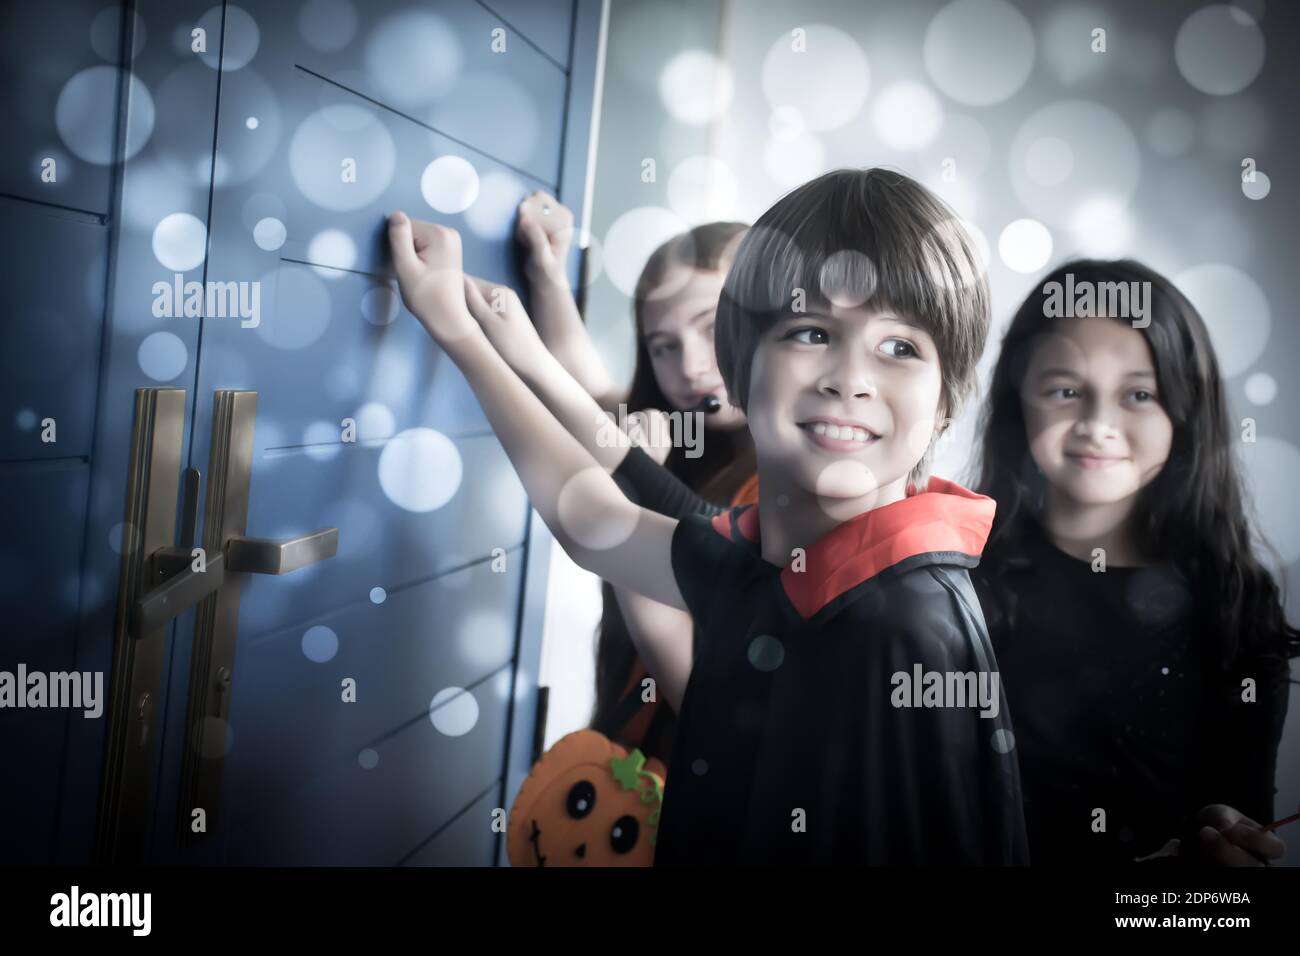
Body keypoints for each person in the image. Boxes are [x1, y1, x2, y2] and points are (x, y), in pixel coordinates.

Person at [386, 166, 1028, 864]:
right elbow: (590, 519)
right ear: (741, 366)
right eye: (811, 332)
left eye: (900, 347)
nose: (851, 377)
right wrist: (459, 331)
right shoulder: (775, 562)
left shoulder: (902, 628)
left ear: (944, 402)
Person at [971, 258, 1298, 865]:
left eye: (1138, 394)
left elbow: (1244, 816)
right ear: (1020, 403)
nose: (1098, 424)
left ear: (1185, 411)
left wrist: (1221, 848)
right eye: (1065, 390)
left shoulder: (1235, 600)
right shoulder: (959, 582)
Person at [514, 196, 753, 763]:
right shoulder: (667, 429)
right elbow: (586, 385)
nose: (691, 366)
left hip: (704, 766)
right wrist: (547, 273)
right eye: (663, 347)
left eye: (713, 328)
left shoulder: (792, 484)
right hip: (624, 745)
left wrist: (632, 476)